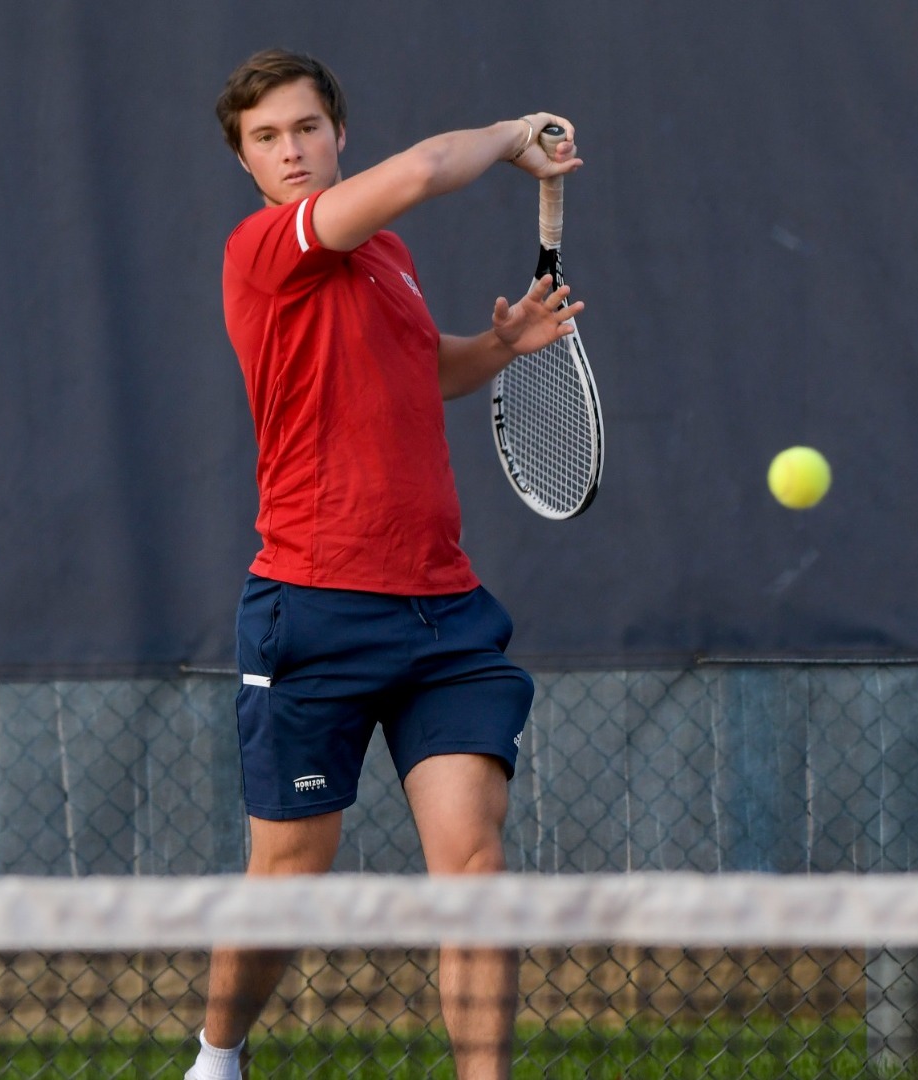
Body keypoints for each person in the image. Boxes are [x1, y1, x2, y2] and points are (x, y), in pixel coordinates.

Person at [189, 48, 583, 1080]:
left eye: (306, 128)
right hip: (313, 608)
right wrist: (510, 137)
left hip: (444, 618)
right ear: (245, 158)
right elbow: (416, 169)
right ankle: (216, 1060)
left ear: (336, 132)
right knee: (291, 872)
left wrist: (503, 346)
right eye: (267, 137)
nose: (291, 150)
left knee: (475, 867)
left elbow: (422, 368)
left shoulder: (388, 258)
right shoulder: (268, 247)